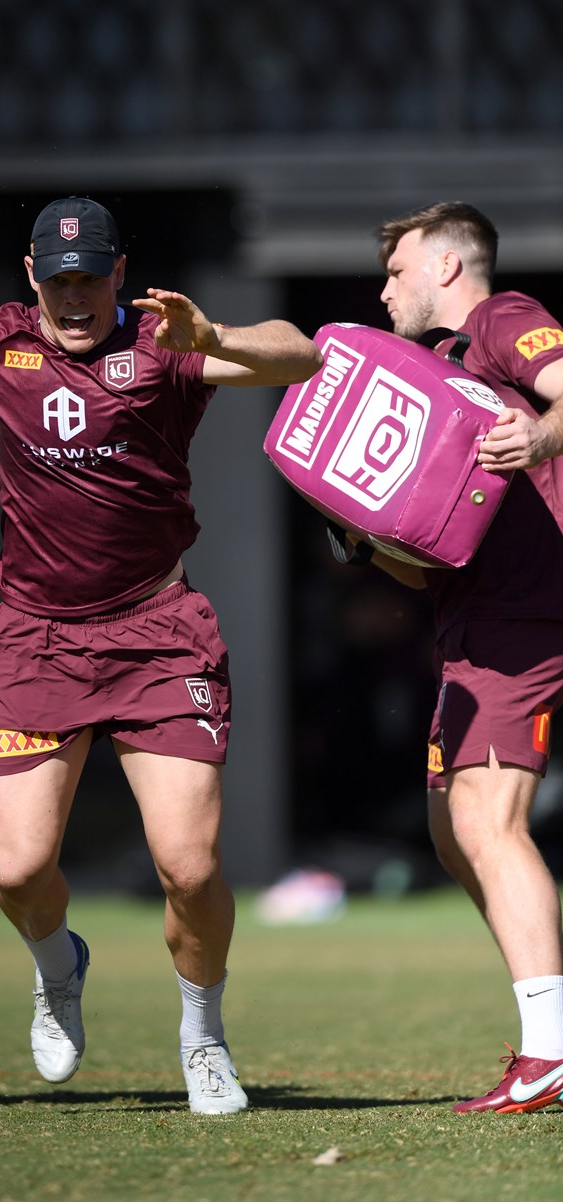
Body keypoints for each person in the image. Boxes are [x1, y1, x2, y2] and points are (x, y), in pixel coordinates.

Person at [0, 195, 322, 1114]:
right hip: (35, 639)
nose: (74, 297)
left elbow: (301, 350)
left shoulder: (168, 339)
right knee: (17, 871)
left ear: (118, 273)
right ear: (31, 275)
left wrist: (214, 332)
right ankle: (59, 966)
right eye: (58, 280)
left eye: (90, 278)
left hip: (156, 630)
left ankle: (203, 1033)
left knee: (189, 865)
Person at [347, 201, 563, 1113]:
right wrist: (362, 538)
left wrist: (542, 436)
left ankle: (550, 1048)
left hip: (528, 613)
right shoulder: (437, 373)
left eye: (395, 271)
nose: (385, 288)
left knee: (486, 818)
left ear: (442, 266)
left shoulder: (501, 319)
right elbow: (426, 556)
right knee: (451, 825)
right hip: (473, 622)